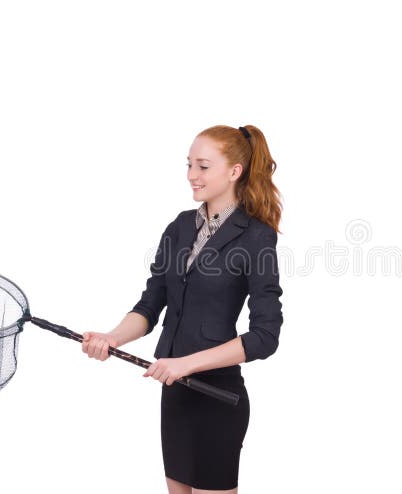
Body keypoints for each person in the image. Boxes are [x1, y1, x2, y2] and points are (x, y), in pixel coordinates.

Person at [82, 124, 283, 494]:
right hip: (175, 395)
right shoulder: (178, 227)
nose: (192, 175)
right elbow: (150, 304)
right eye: (189, 165)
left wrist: (185, 364)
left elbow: (265, 337)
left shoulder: (256, 236)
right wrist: (112, 338)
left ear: (234, 171)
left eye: (203, 166)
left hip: (217, 398)